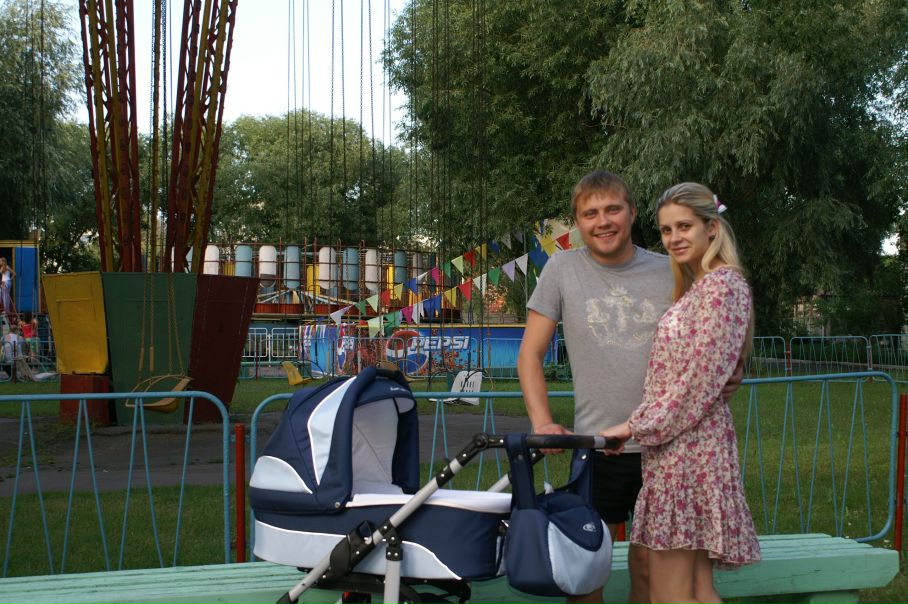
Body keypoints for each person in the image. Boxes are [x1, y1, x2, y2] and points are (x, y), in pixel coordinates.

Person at [518, 170, 742, 604]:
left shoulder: (671, 267)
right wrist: (542, 421)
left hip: (666, 449)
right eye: (590, 214)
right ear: (577, 222)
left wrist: (733, 370)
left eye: (613, 209)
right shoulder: (562, 269)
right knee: (585, 571)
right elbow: (530, 353)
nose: (603, 221)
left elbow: (714, 331)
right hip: (599, 443)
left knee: (651, 572)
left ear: (633, 213)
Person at [600, 182, 760, 604]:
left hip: (691, 455)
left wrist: (632, 426)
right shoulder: (702, 288)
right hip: (680, 451)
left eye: (684, 226)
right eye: (667, 230)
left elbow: (697, 381)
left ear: (712, 227)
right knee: (696, 592)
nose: (674, 238)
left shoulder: (722, 286)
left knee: (669, 596)